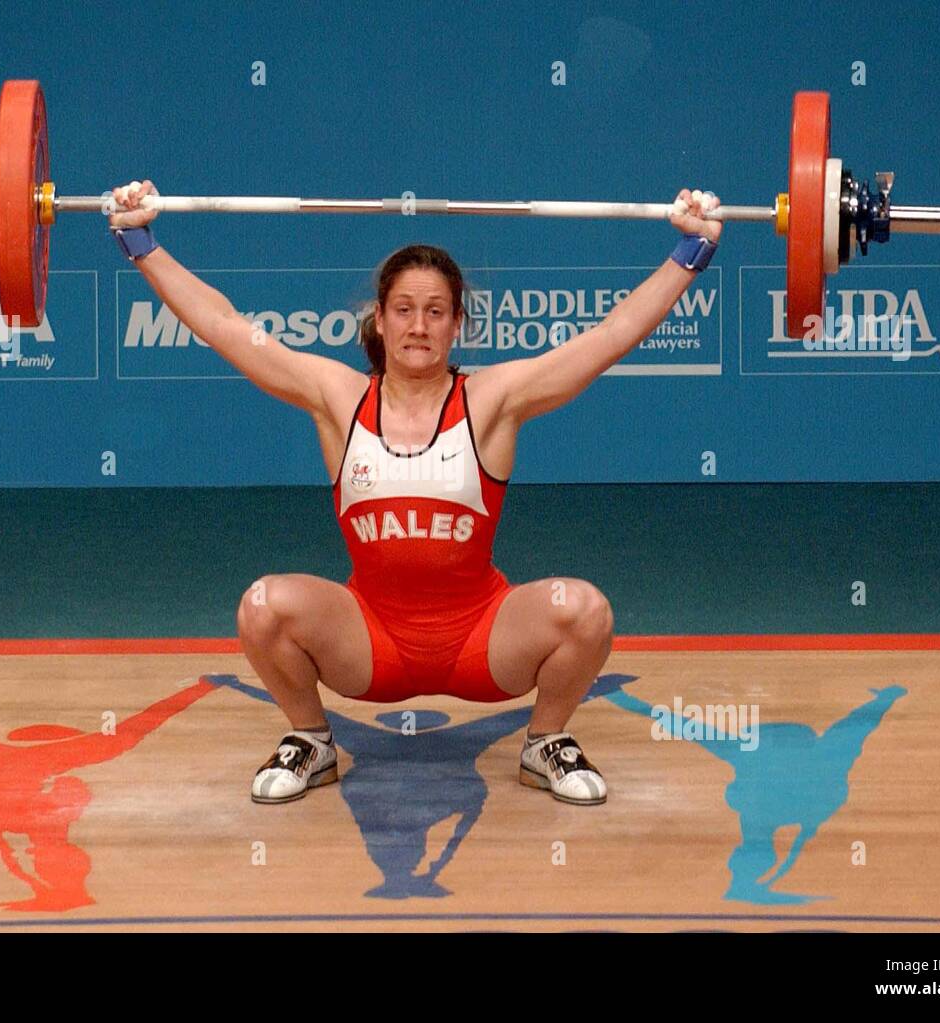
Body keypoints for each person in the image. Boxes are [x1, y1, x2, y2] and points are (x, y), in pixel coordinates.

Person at [108, 181, 722, 807]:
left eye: (435, 311)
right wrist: (139, 241)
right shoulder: (338, 396)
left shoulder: (492, 400)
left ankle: (545, 742)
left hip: (483, 640)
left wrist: (690, 253)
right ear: (380, 317)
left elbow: (608, 337)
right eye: (404, 309)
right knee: (263, 605)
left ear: (458, 323)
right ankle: (311, 740)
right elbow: (223, 325)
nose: (419, 326)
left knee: (584, 610)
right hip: (370, 643)